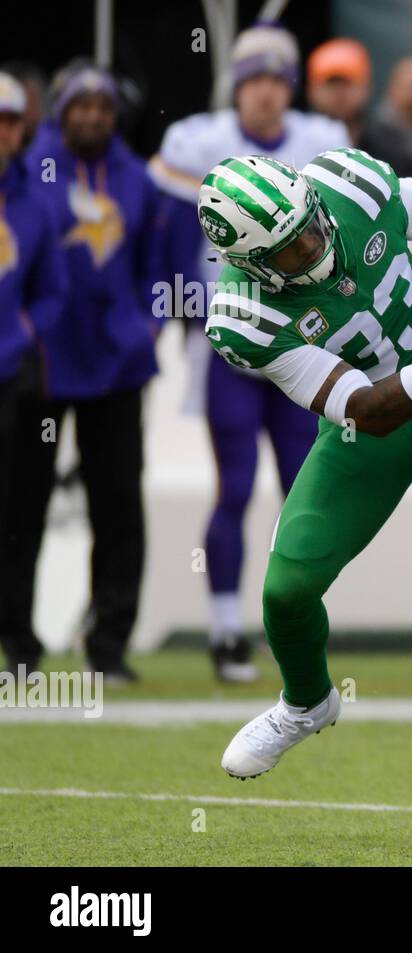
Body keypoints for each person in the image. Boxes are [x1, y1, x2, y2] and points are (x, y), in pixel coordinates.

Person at [149, 22, 349, 683]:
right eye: (253, 79)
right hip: (232, 347)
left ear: (291, 87)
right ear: (235, 86)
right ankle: (227, 630)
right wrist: (182, 313)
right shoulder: (198, 142)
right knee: (234, 487)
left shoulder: (320, 142)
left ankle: (295, 626)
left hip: (301, 340)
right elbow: (172, 240)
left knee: (303, 491)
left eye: (276, 80)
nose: (265, 92)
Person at [1, 63, 163, 682]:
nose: (92, 116)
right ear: (59, 111)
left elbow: (159, 266)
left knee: (119, 508)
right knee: (22, 508)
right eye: (80, 105)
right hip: (40, 368)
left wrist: (148, 325)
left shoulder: (138, 179)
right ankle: (19, 643)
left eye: (103, 106)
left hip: (118, 367)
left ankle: (109, 645)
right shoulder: (32, 172)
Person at [0, 72, 67, 676]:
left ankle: (18, 638)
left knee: (21, 511)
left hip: (16, 377)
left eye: (9, 120)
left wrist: (23, 329)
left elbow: (53, 291)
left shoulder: (37, 201)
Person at [305, 38, 412, 178]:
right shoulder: (296, 140)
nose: (339, 93)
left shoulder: (394, 145)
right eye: (330, 84)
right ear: (311, 90)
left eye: (348, 83)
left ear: (368, 87)